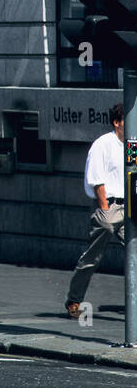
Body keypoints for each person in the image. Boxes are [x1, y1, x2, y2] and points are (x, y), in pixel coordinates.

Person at [65, 104, 125, 320]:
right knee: (92, 258)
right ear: (117, 122)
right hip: (108, 206)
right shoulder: (102, 145)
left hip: (129, 207)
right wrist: (105, 208)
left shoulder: (132, 144)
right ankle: (74, 299)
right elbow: (97, 180)